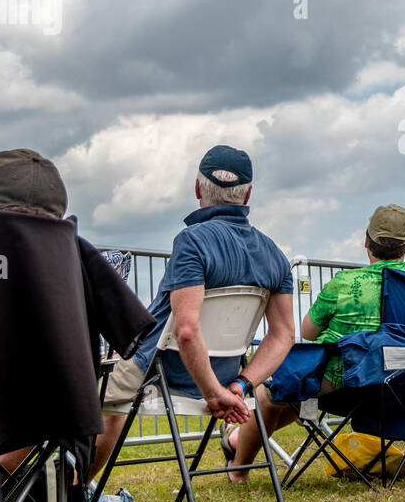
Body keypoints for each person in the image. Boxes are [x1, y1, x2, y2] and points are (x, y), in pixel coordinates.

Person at [92, 146, 297, 483]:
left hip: (161, 372)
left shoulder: (192, 242)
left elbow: (186, 331)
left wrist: (214, 392)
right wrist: (239, 385)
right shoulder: (274, 255)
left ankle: (70, 490)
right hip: (224, 374)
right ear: (248, 194)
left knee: (93, 394)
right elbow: (283, 334)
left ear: (198, 188)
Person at [229, 204, 405, 477]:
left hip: (345, 387)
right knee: (295, 393)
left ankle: (238, 470)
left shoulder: (343, 283)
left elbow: (308, 332)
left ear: (367, 241)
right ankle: (237, 438)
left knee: (271, 394)